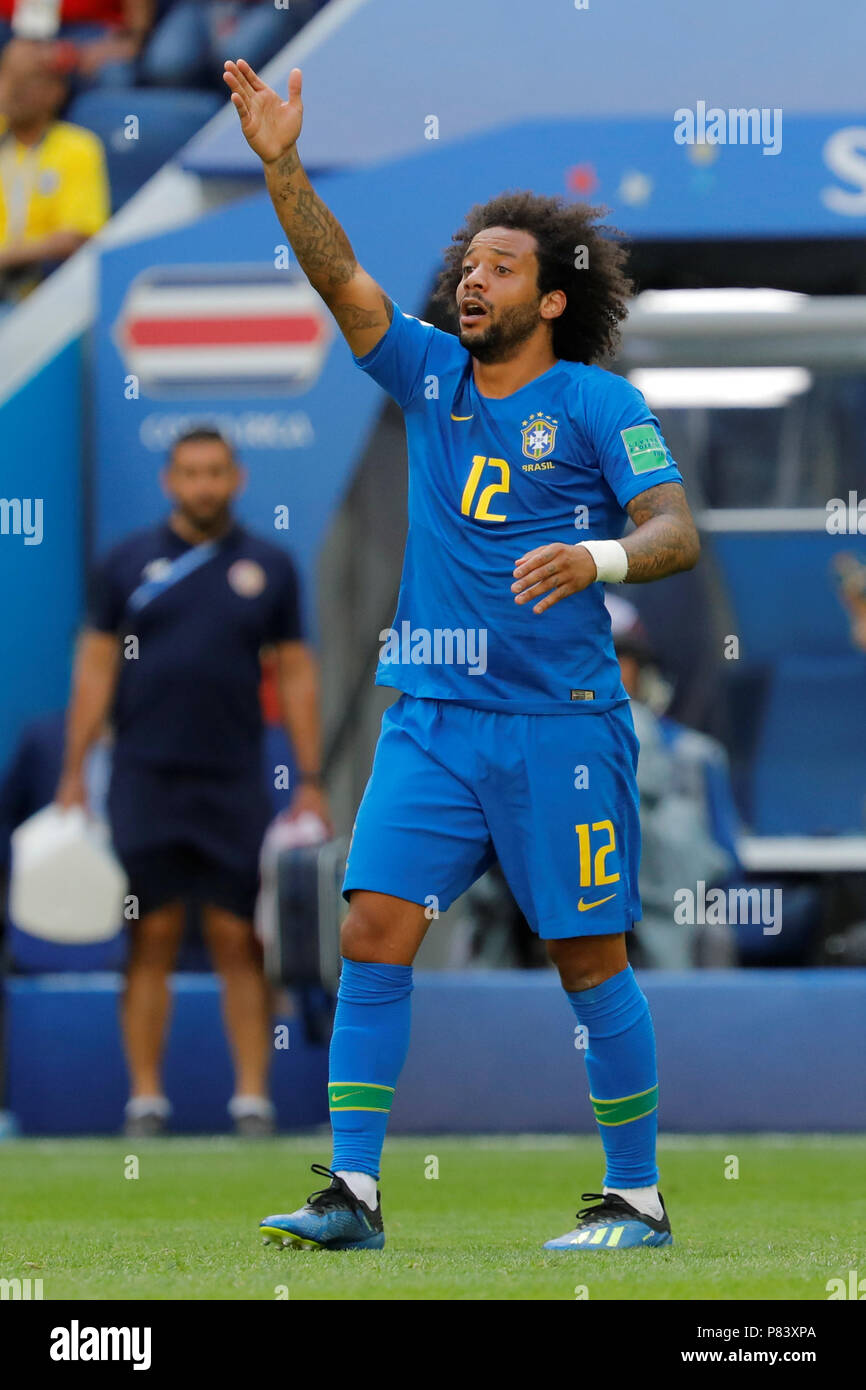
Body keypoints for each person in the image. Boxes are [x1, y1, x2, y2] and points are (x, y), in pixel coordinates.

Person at [224, 59, 699, 1251]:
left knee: (587, 956)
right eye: (465, 263)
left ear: (550, 299)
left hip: (559, 723)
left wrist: (594, 560)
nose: (469, 278)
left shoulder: (597, 404)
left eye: (498, 265)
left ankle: (635, 1198)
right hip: (432, 718)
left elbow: (673, 533)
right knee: (371, 929)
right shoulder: (429, 373)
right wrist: (281, 163)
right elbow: (340, 279)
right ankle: (353, 1192)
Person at [56, 426, 328, 1137]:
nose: (203, 485)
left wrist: (311, 776)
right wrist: (72, 771)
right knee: (152, 931)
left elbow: (296, 671)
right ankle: (145, 1098)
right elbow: (94, 666)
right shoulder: (125, 564)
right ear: (169, 481)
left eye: (215, 472)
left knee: (241, 936)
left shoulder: (270, 566)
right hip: (144, 777)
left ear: (235, 478)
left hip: (234, 777)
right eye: (190, 473)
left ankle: (251, 1100)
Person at [0, 36, 109, 310]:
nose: (12, 91)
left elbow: (77, 236)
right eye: (6, 77)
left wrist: (8, 256)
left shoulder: (78, 147)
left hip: (43, 297)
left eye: (26, 81)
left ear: (55, 91)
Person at [0, 2, 153, 88]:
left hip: (90, 27)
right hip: (10, 25)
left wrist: (133, 39)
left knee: (114, 75)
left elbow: (130, 41)